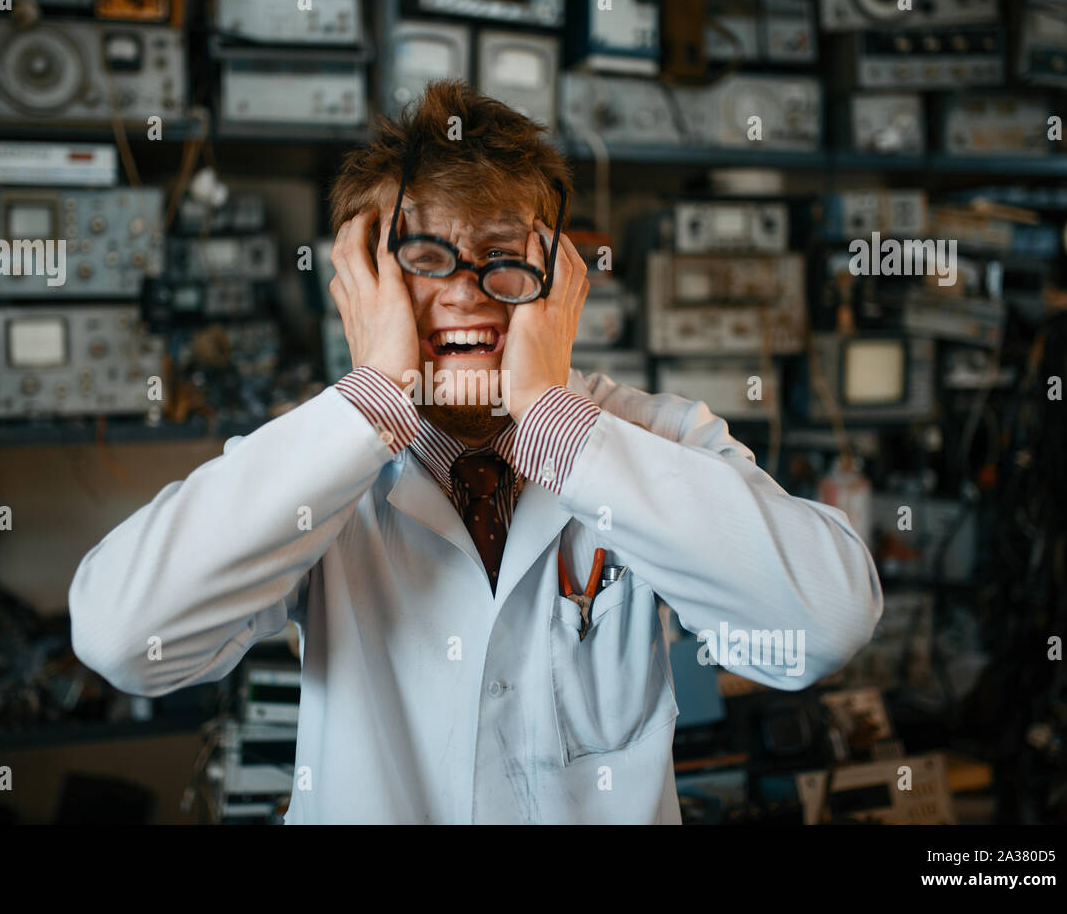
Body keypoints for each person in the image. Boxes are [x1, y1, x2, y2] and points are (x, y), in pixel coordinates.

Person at [69, 80, 883, 823]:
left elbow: (825, 621)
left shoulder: (655, 438)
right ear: (362, 287)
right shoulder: (316, 461)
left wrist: (549, 418)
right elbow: (121, 636)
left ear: (560, 277)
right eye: (421, 258)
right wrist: (376, 399)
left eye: (502, 254)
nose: (465, 289)